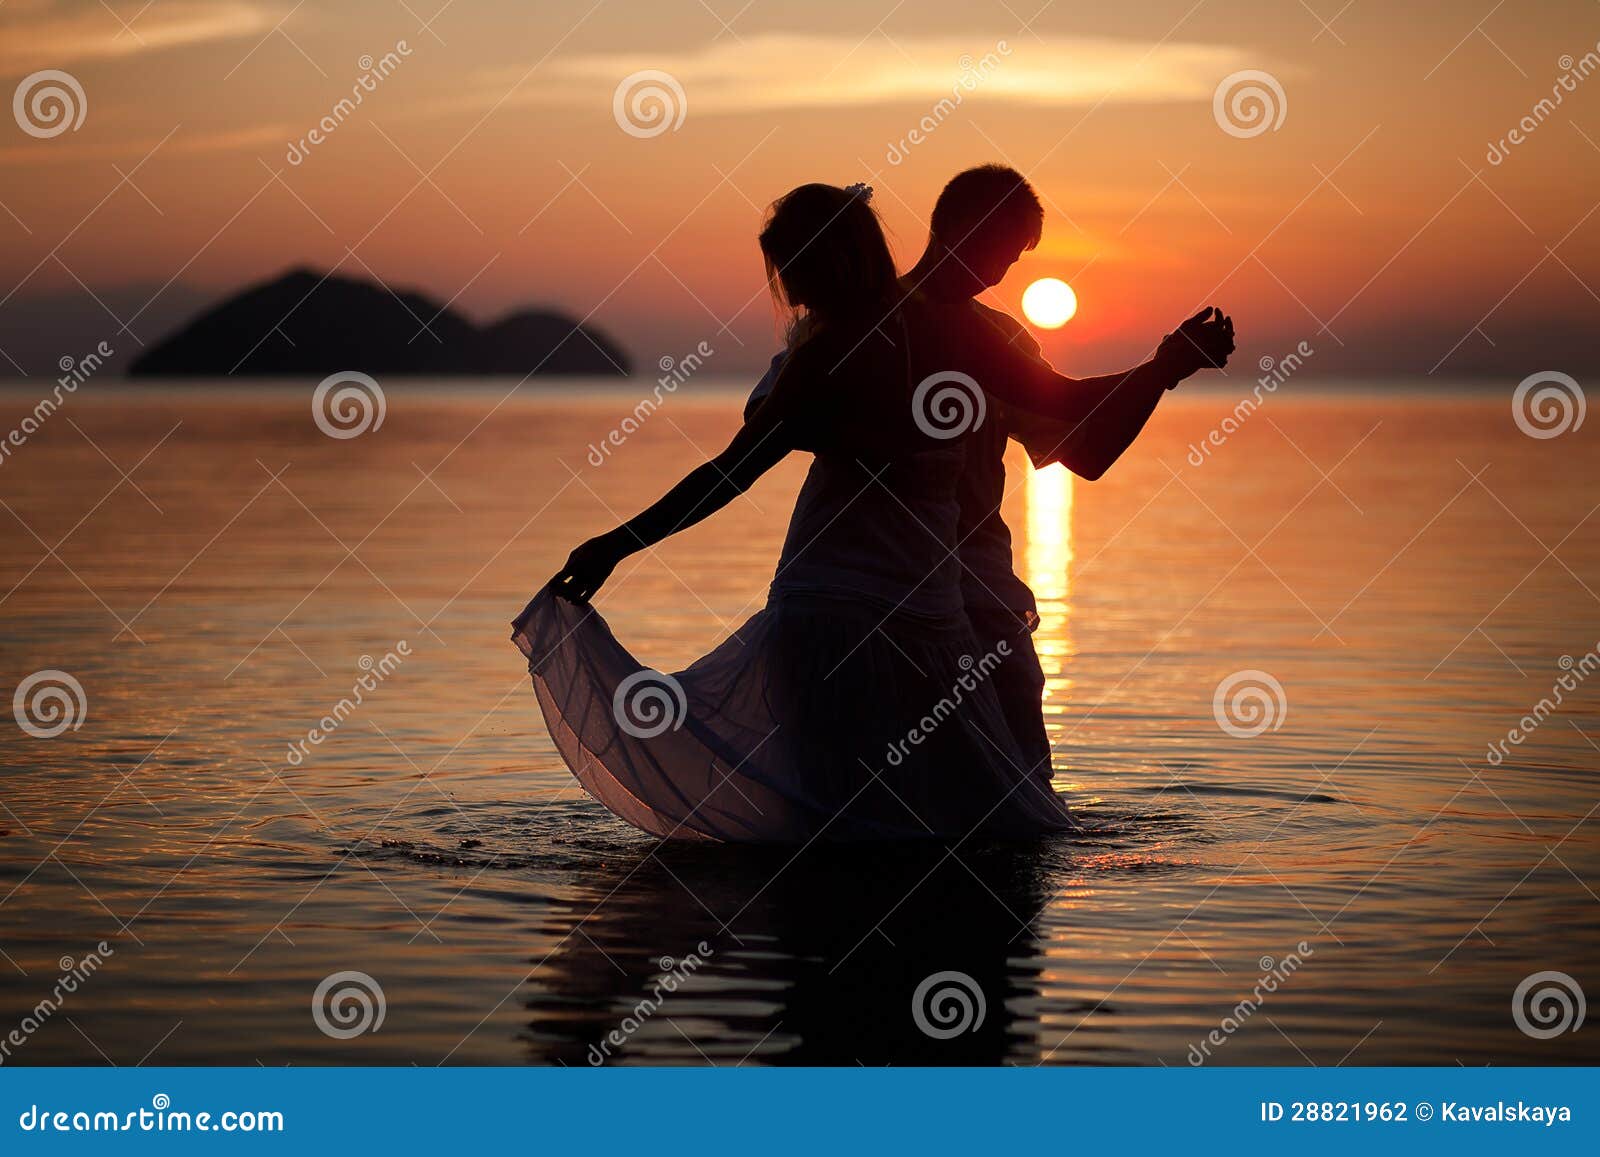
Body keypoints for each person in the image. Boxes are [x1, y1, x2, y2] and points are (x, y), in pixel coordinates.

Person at [514, 181, 1232, 843]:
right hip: (896, 616)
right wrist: (1163, 364)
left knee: (845, 817)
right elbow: (1070, 403)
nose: (788, 291)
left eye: (792, 270)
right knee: (960, 826)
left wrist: (618, 542)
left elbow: (730, 471)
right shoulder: (953, 338)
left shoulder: (823, 356)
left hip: (850, 612)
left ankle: (832, 964)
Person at [745, 165, 1225, 781]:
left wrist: (1164, 373)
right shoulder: (845, 328)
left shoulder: (990, 341)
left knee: (981, 794)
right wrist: (1161, 371)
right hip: (886, 602)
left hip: (960, 598)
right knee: (978, 795)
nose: (1002, 271)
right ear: (955, 228)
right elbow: (764, 431)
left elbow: (1085, 452)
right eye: (1006, 250)